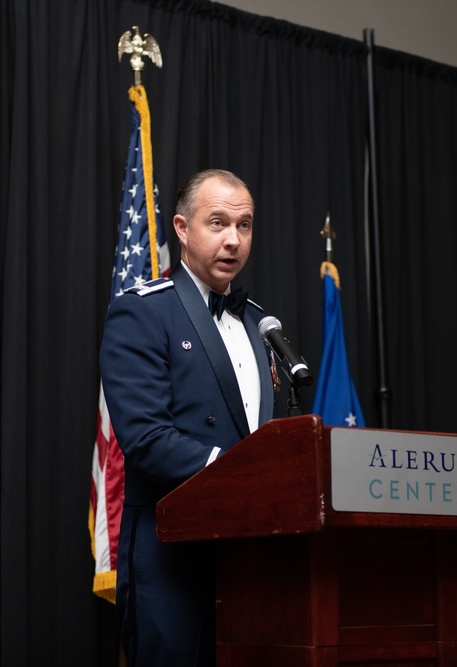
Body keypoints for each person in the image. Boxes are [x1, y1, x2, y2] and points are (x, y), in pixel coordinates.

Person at [99, 169, 276, 666]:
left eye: (243, 226)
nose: (233, 239)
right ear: (180, 228)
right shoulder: (142, 312)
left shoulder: (260, 322)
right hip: (171, 553)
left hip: (251, 555)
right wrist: (245, 477)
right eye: (217, 223)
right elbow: (146, 438)